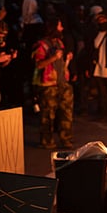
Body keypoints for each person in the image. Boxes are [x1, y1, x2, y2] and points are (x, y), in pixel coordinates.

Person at [32, 16, 74, 149]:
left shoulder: (60, 43)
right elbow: (38, 65)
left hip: (62, 83)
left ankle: (66, 139)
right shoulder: (41, 45)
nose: (62, 28)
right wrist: (53, 57)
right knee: (47, 115)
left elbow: (60, 63)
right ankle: (47, 140)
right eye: (60, 26)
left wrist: (67, 60)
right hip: (48, 85)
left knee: (66, 113)